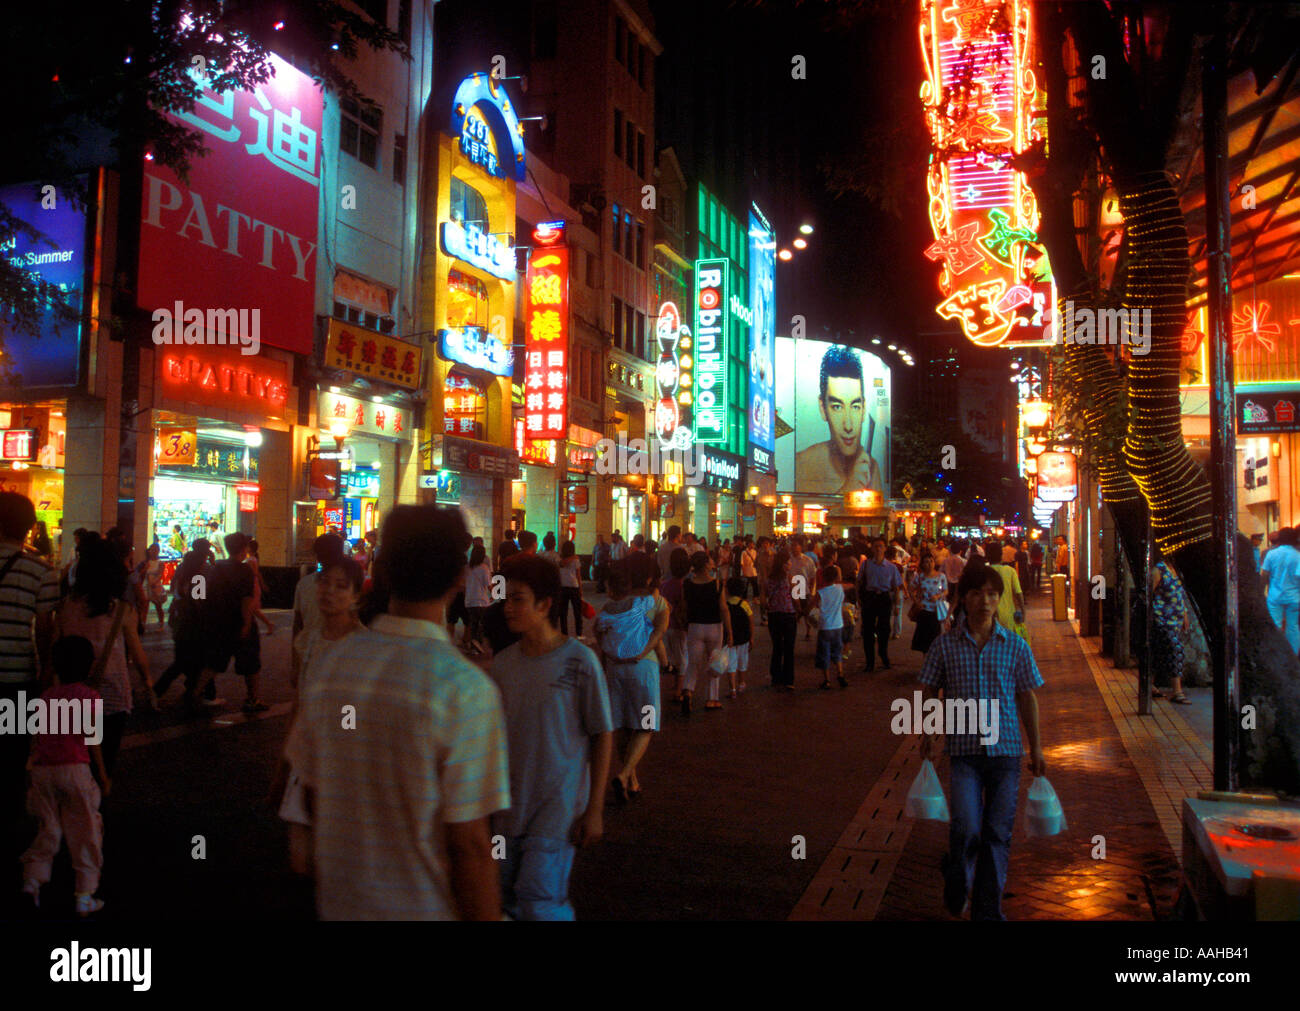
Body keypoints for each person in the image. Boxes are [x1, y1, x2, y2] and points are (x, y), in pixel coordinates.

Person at [284, 506, 510, 919]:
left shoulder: (332, 664)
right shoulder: (465, 689)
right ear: (460, 578)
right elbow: (472, 845)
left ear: (382, 570)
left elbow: (312, 789)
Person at [918, 563, 1045, 921]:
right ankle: (957, 877)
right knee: (966, 827)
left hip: (1006, 752)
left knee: (997, 834)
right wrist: (926, 732)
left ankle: (988, 910)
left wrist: (1036, 747)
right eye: (976, 593)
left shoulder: (1015, 646)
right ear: (963, 598)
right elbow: (930, 690)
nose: (985, 601)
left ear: (999, 599)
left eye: (992, 594)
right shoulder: (945, 646)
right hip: (963, 752)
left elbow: (1027, 697)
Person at [491, 554, 613, 920]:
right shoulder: (503, 664)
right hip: (506, 812)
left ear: (544, 605)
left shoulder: (579, 662)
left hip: (557, 810)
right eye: (505, 598)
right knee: (504, 901)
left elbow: (602, 734)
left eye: (518, 599)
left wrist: (594, 809)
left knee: (541, 899)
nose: (508, 608)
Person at [19, 636, 110, 916]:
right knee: (85, 831)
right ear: (88, 666)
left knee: (48, 827)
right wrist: (103, 776)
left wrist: (30, 766)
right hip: (75, 770)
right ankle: (84, 896)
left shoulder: (45, 696)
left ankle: (32, 882)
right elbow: (92, 740)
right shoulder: (90, 697)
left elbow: (36, 737)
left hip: (43, 771)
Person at [57, 535, 155, 775]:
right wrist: (149, 684)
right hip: (111, 694)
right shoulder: (121, 610)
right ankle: (98, 800)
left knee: (72, 757)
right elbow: (137, 653)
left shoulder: (66, 606)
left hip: (70, 694)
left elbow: (54, 650)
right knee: (105, 758)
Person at [0, 493, 61, 873]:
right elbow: (46, 632)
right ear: (29, 527)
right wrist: (45, 676)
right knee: (12, 753)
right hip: (16, 677)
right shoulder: (40, 571)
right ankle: (9, 823)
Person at [594, 554, 667, 802]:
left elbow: (599, 635)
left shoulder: (608, 608)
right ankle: (625, 774)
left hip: (615, 670)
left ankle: (632, 780)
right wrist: (646, 651)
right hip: (643, 670)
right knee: (646, 725)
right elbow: (659, 631)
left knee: (623, 724)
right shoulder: (653, 603)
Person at [190, 532, 266, 714]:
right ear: (244, 548)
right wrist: (247, 624)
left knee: (214, 662)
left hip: (218, 622)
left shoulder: (216, 567)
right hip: (238, 621)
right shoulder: (244, 570)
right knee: (250, 663)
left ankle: (193, 694)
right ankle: (252, 699)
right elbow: (246, 600)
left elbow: (199, 594)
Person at [794, 345, 884, 496]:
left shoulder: (872, 468)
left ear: (863, 409)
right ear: (823, 408)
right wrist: (849, 490)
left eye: (855, 406)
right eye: (837, 407)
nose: (848, 425)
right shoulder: (800, 465)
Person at [681, 550, 733, 714]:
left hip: (695, 626)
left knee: (692, 664)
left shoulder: (687, 584)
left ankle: (688, 691)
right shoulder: (717, 584)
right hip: (714, 627)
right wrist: (730, 632)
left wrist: (684, 624)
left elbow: (683, 607)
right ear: (705, 565)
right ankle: (712, 699)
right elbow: (724, 609)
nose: (712, 563)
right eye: (710, 561)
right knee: (714, 664)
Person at [1149, 560, 1192, 705]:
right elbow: (1148, 594)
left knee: (1158, 651)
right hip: (1162, 619)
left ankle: (1150, 685)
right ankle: (1177, 691)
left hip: (1175, 620)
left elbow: (1180, 594)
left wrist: (1184, 614)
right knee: (1175, 649)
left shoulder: (1177, 569)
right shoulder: (1158, 570)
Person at [857, 538, 900, 672]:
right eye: (876, 546)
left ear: (885, 548)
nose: (878, 549)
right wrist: (858, 598)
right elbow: (859, 582)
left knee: (884, 629)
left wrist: (897, 605)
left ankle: (883, 654)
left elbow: (896, 587)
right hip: (870, 598)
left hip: (884, 598)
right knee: (868, 630)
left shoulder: (891, 567)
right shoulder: (866, 565)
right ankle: (870, 661)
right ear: (872, 548)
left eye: (881, 546)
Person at [1261, 526, 1300, 654]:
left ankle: (1276, 654)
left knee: (1275, 625)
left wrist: (1261, 592)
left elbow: (1265, 575)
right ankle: (1293, 655)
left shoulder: (1271, 554)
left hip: (1275, 596)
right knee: (1293, 626)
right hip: (1294, 597)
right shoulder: (1298, 556)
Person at [811, 565, 848, 690]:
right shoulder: (840, 589)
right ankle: (840, 674)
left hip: (825, 626)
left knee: (824, 653)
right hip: (838, 625)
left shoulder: (821, 592)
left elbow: (813, 606)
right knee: (837, 652)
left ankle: (827, 680)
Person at [985, 539, 1028, 643]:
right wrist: (1023, 611)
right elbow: (1018, 593)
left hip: (989, 617)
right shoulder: (1010, 571)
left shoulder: (984, 572)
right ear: (1001, 556)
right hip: (1008, 617)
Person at [766, 550, 797, 691]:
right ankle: (788, 679)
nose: (790, 564)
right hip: (788, 615)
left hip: (773, 615)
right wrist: (801, 610)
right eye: (788, 562)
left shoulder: (769, 579)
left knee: (777, 647)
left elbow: (764, 596)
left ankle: (776, 677)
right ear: (784, 564)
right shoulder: (791, 578)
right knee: (789, 648)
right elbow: (797, 597)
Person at [661, 548, 690, 698]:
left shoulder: (664, 585)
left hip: (666, 625)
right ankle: (679, 689)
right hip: (680, 625)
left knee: (672, 656)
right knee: (682, 657)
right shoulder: (685, 585)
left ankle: (675, 685)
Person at [910, 552, 948, 655]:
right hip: (924, 610)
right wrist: (917, 602)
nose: (930, 564)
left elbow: (945, 590)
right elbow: (911, 589)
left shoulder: (941, 576)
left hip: (936, 610)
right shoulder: (919, 576)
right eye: (926, 562)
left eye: (931, 561)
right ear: (922, 564)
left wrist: (938, 596)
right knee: (924, 638)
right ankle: (926, 658)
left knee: (936, 636)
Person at [725, 576, 752, 698]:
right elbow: (750, 621)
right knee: (743, 661)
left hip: (730, 640)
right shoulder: (744, 604)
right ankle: (742, 683)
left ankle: (733, 689)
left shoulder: (725, 605)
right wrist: (752, 637)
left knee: (731, 664)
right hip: (744, 638)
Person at [463, 544, 492, 655]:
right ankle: (478, 645)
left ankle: (474, 645)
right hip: (481, 600)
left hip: (469, 600)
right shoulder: (484, 568)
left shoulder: (467, 568)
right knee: (481, 624)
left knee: (473, 624)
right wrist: (495, 593)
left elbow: (465, 586)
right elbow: (488, 585)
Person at [790, 538, 818, 641]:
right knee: (793, 613)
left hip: (804, 589)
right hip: (791, 590)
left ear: (800, 547)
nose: (793, 547)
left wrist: (812, 590)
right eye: (792, 545)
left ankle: (808, 631)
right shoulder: (788, 560)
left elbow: (813, 576)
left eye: (795, 545)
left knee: (806, 612)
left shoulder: (807, 560)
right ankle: (792, 631)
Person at [247, 538, 275, 636]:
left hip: (252, 584)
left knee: (252, 608)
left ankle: (268, 624)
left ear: (250, 548)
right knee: (253, 609)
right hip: (254, 583)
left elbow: (255, 573)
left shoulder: (250, 560)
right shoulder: (253, 559)